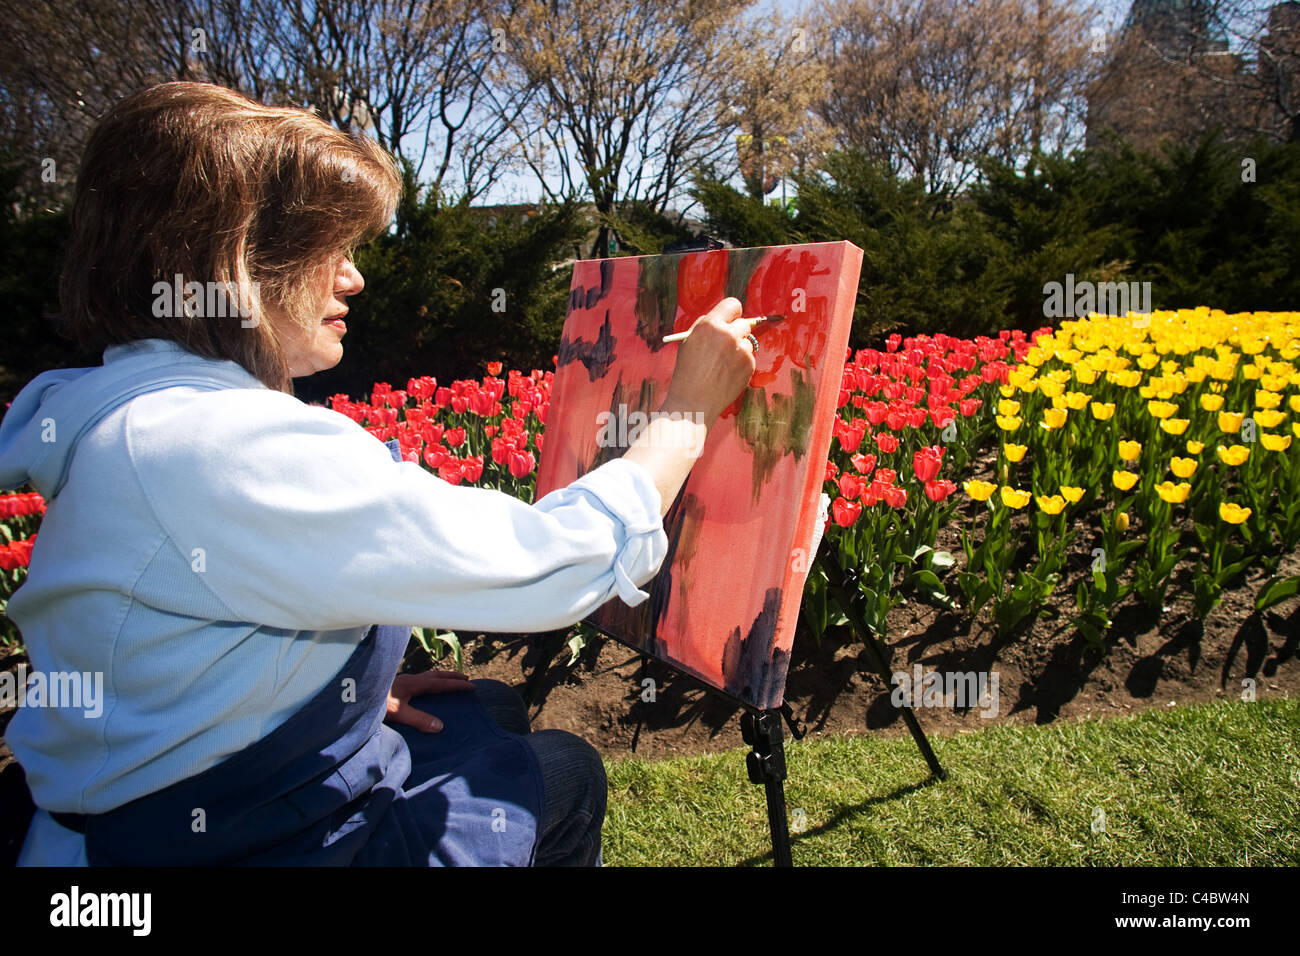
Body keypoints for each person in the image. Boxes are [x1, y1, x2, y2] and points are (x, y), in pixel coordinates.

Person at [0, 81, 759, 866]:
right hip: (206, 846)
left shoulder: (125, 413)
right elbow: (550, 565)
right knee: (565, 774)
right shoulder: (217, 444)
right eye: (330, 249)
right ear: (237, 258)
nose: (353, 278)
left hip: (144, 813)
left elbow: (172, 655)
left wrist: (325, 689)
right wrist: (685, 410)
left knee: (485, 704)